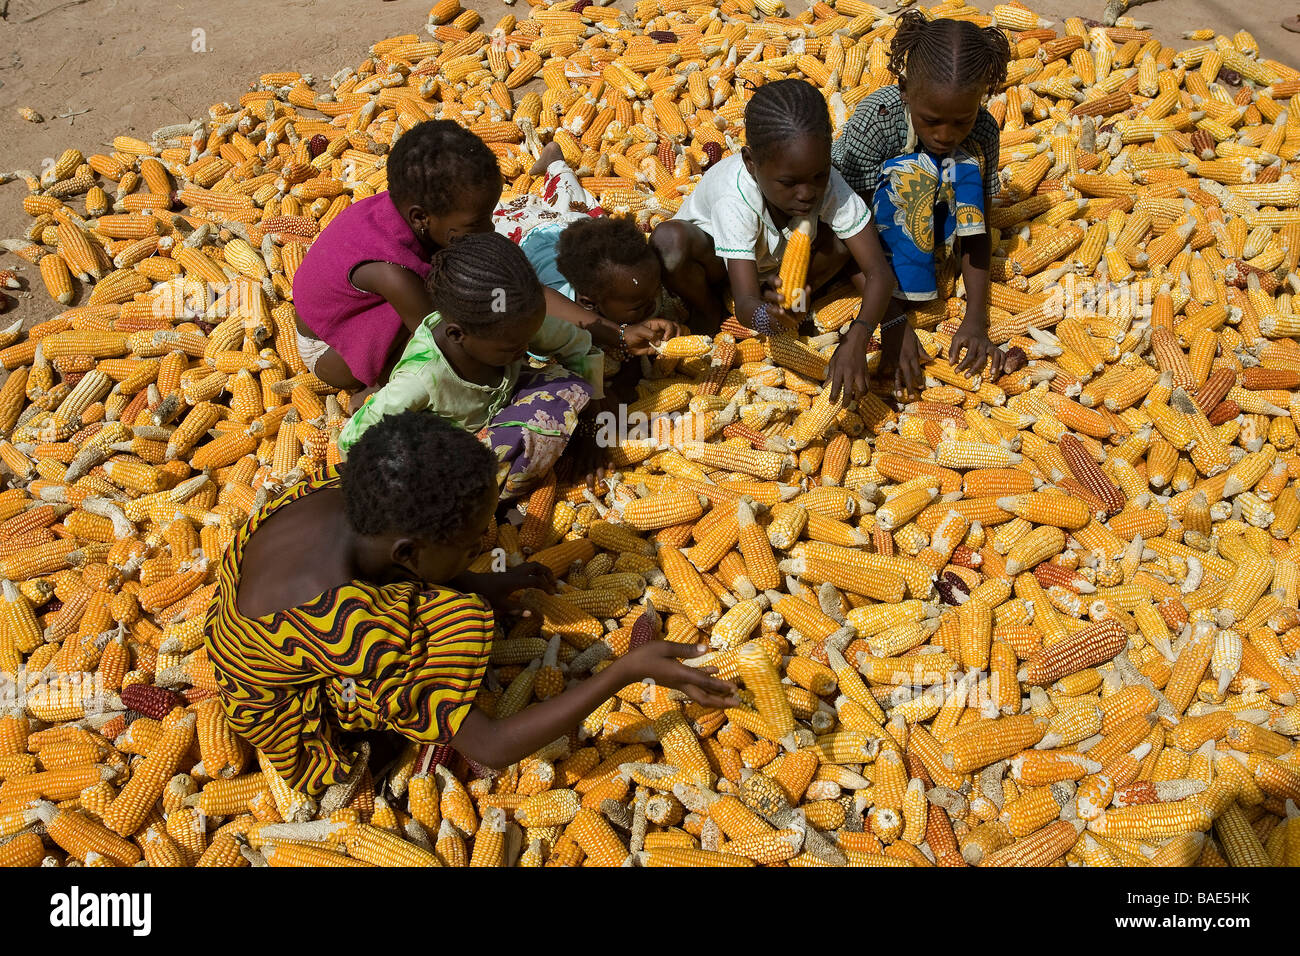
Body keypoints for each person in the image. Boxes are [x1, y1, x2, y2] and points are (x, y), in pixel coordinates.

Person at [206, 411, 739, 795]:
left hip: (261, 610)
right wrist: (622, 672)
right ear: (408, 553)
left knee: (465, 599)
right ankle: (370, 737)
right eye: (466, 544)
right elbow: (492, 745)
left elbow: (413, 562)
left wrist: (483, 582)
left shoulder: (346, 487)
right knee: (457, 621)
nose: (481, 547)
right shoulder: (359, 632)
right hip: (288, 701)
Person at [650, 79, 896, 394]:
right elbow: (746, 304)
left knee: (850, 234)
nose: (808, 193)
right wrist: (769, 318)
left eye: (818, 175)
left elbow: (879, 272)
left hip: (777, 268)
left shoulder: (827, 182)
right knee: (669, 243)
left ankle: (797, 305)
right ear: (751, 163)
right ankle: (708, 308)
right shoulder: (734, 197)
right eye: (789, 182)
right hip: (718, 265)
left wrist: (859, 336)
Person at [336, 232, 606, 498]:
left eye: (528, 340)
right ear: (457, 335)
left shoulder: (510, 322)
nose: (526, 350)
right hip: (455, 454)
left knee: (571, 384)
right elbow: (352, 440)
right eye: (513, 348)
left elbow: (578, 346)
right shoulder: (420, 379)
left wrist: (592, 423)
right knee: (532, 435)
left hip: (499, 413)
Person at [830, 10, 1012, 396]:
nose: (945, 135)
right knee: (909, 171)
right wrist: (892, 321)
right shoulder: (877, 120)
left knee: (963, 164)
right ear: (906, 90)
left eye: (960, 121)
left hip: (932, 224)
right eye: (930, 120)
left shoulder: (982, 132)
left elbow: (977, 232)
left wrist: (976, 320)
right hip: (857, 234)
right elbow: (847, 229)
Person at [291, 120, 502, 394]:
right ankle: (376, 386)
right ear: (420, 218)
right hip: (329, 351)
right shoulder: (393, 274)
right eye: (476, 223)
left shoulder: (407, 204)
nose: (491, 229)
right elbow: (440, 343)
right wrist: (502, 373)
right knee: (441, 348)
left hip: (351, 310)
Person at [495, 141, 683, 364]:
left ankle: (554, 159)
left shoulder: (631, 288)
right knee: (498, 215)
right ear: (589, 303)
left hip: (575, 226)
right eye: (639, 306)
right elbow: (541, 342)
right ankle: (549, 162)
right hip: (529, 235)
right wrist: (620, 335)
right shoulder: (561, 301)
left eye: (655, 292)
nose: (652, 305)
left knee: (569, 191)